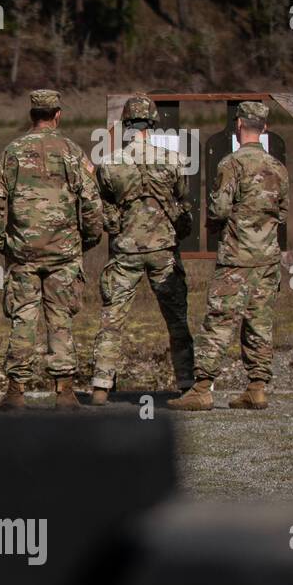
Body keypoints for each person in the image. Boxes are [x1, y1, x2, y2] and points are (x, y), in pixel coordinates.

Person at [0, 89, 103, 409]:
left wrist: (1, 243)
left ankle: (15, 391)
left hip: (22, 253)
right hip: (63, 252)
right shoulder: (72, 152)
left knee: (22, 318)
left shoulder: (13, 151)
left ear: (32, 115)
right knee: (61, 318)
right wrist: (86, 241)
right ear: (58, 114)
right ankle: (64, 391)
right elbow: (92, 203)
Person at [169, 101, 289, 411]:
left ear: (238, 126)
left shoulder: (231, 165)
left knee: (219, 321)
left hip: (236, 258)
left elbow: (219, 209)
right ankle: (257, 386)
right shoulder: (278, 168)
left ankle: (202, 387)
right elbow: (283, 212)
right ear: (264, 128)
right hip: (268, 258)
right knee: (260, 322)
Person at [90, 94, 194, 404]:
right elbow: (182, 201)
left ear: (125, 125)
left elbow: (105, 210)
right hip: (164, 249)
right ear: (153, 124)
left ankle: (100, 385)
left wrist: (117, 226)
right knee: (177, 320)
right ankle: (188, 382)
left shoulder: (110, 164)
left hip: (126, 251)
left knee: (112, 320)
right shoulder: (172, 160)